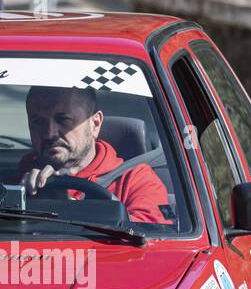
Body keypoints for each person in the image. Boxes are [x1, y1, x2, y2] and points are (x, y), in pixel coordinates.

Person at [18, 86, 167, 224]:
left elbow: (151, 240)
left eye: (63, 119)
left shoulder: (136, 180)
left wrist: (69, 210)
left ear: (95, 124)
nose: (49, 133)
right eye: (38, 122)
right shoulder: (18, 178)